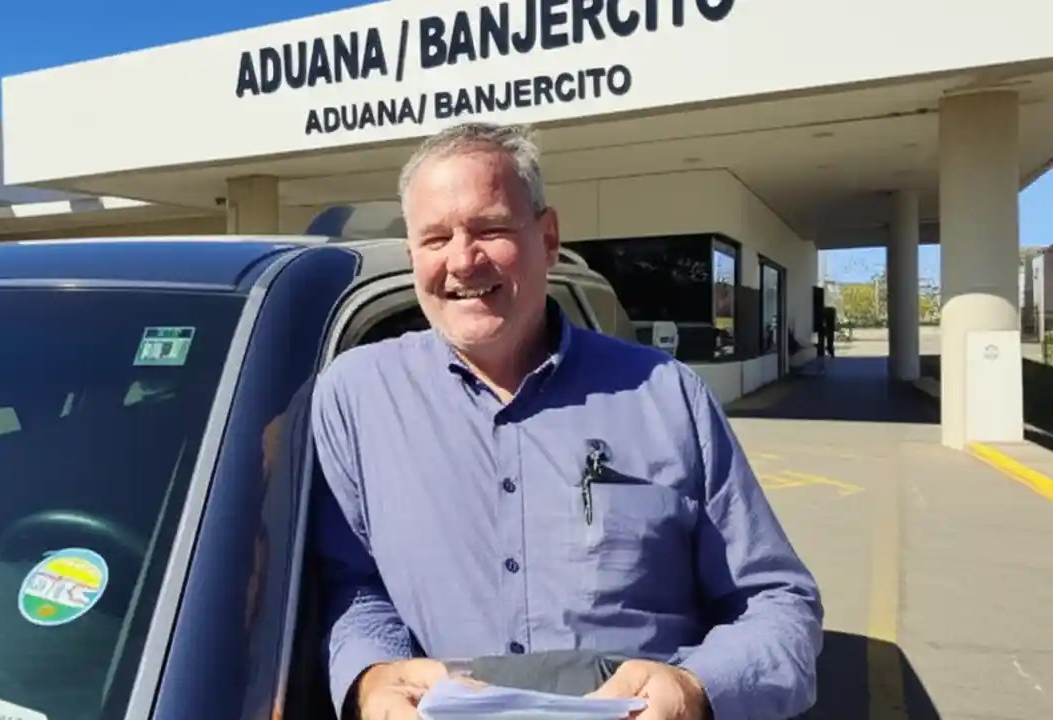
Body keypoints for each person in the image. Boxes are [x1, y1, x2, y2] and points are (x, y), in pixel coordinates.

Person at [308, 121, 824, 720]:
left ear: (548, 237)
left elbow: (778, 602)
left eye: (490, 228)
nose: (462, 260)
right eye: (435, 238)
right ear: (412, 256)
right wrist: (371, 677)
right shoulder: (355, 396)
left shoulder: (667, 395)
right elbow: (351, 587)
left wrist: (696, 688)